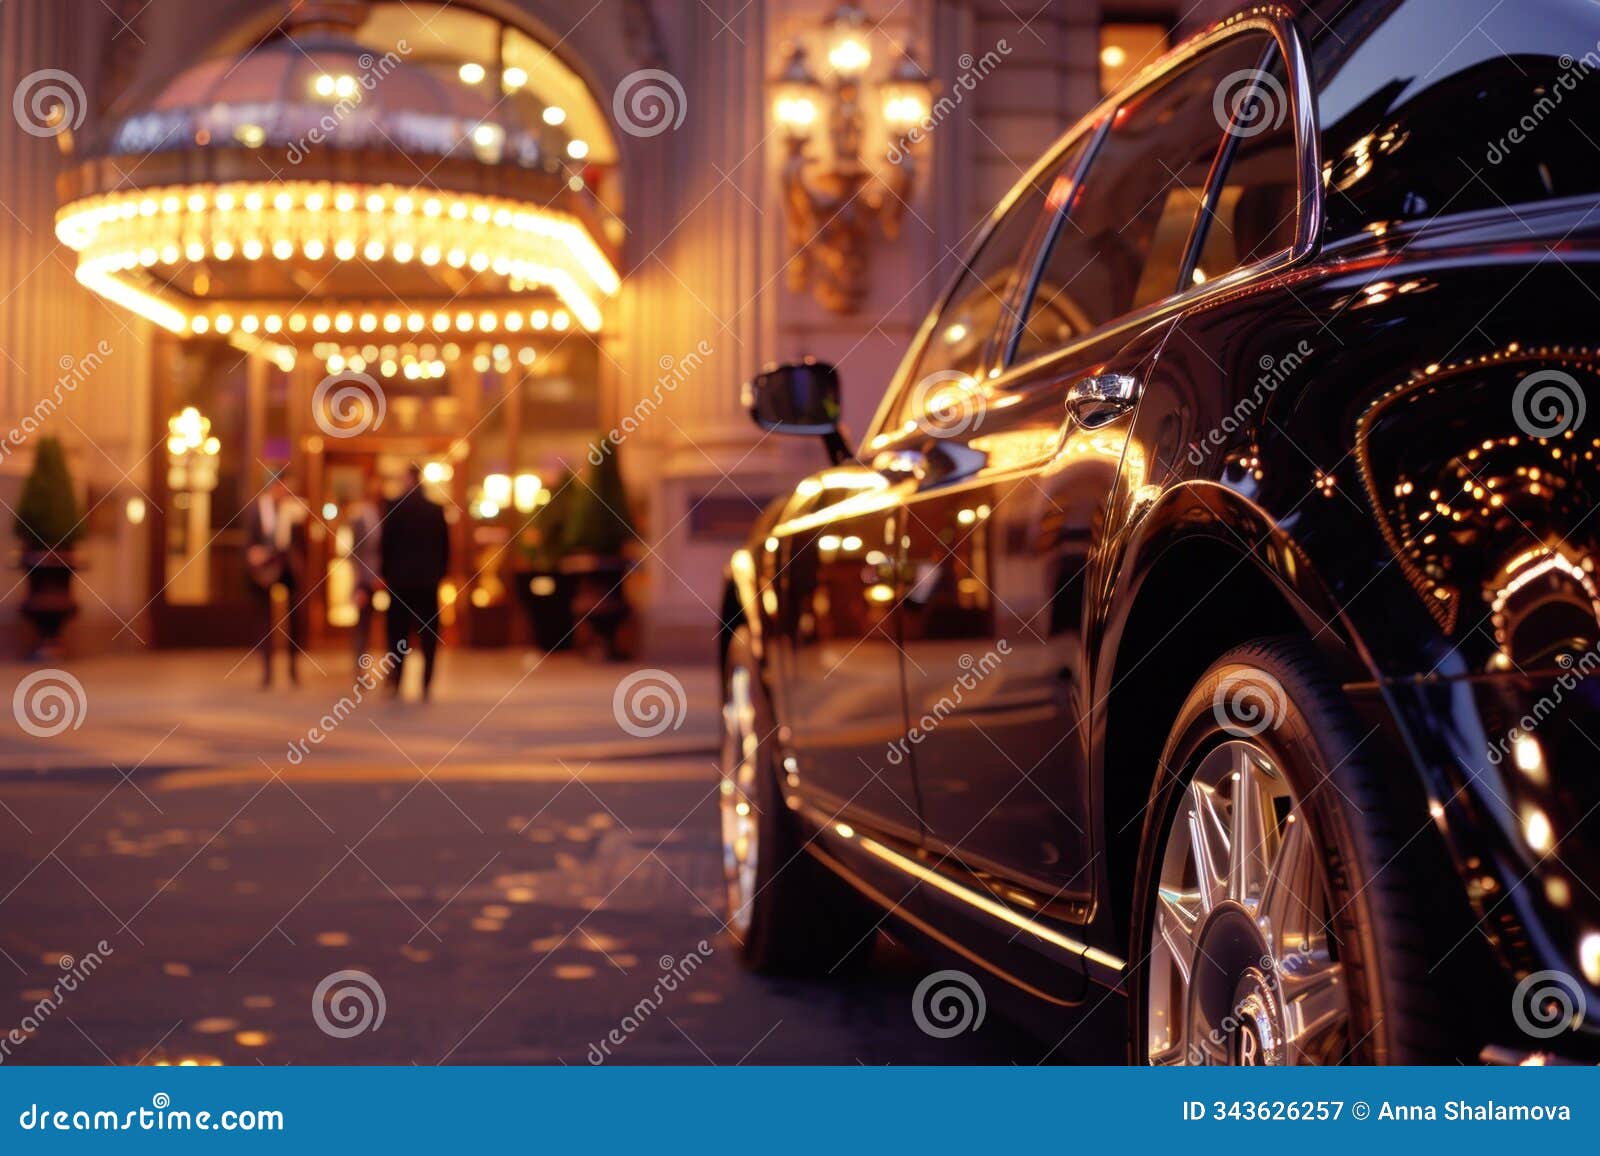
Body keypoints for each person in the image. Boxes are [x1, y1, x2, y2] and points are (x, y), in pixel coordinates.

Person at [380, 463, 450, 699]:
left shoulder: (393, 508)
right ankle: (426, 681)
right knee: (428, 634)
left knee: (397, 633)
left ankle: (397, 679)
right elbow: (445, 548)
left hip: (400, 583)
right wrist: (438, 575)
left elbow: (385, 547)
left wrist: (387, 575)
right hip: (427, 584)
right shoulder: (435, 510)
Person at [243, 470, 307, 688]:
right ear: (276, 486)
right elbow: (249, 541)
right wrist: (254, 554)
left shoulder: (293, 510)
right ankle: (267, 670)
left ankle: (292, 668)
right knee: (265, 620)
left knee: (294, 618)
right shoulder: (258, 509)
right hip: (265, 571)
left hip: (287, 568)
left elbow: (301, 543)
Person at [346, 473, 386, 675]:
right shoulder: (359, 515)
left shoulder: (385, 512)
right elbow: (356, 551)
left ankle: (388, 669)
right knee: (363, 623)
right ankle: (360, 666)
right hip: (365, 577)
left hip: (383, 577)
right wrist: (360, 581)